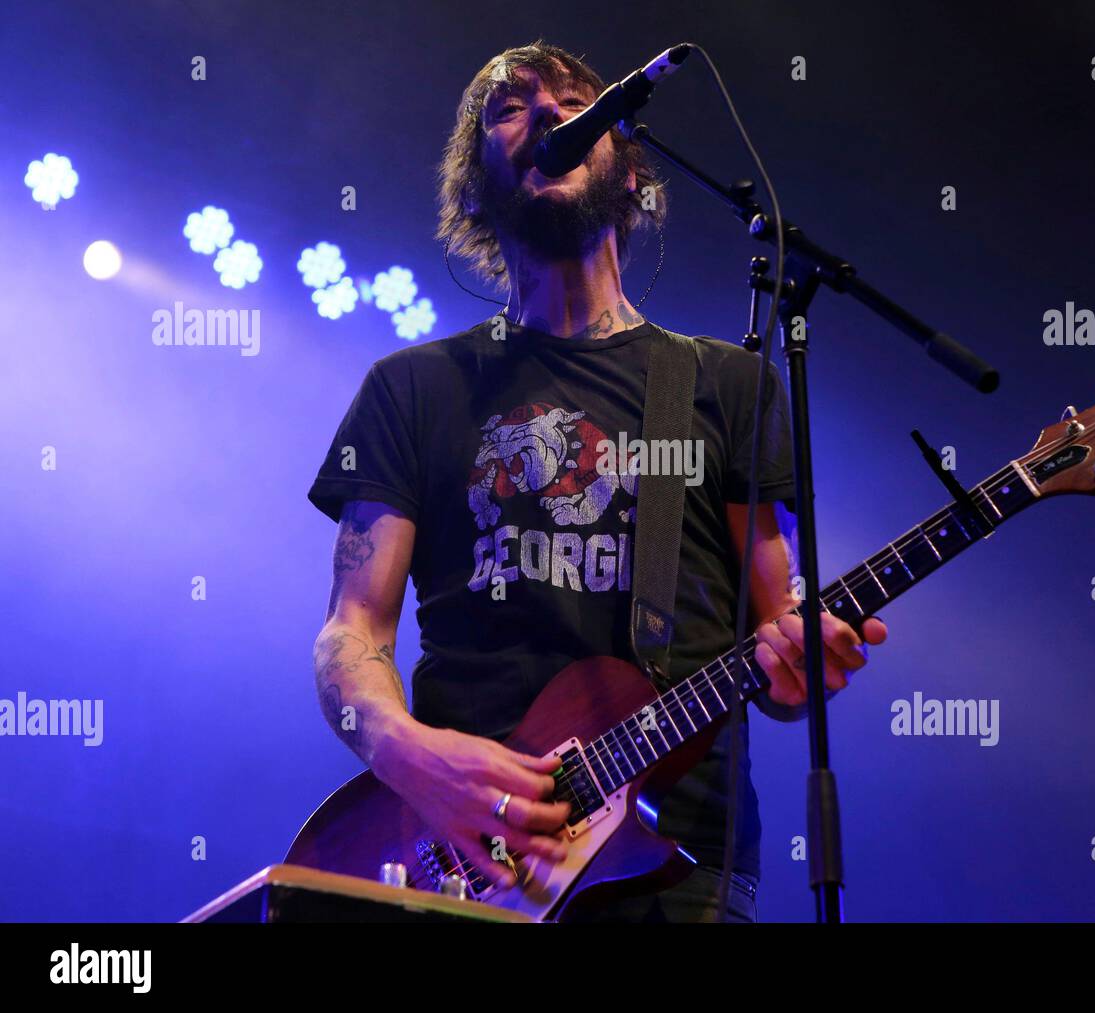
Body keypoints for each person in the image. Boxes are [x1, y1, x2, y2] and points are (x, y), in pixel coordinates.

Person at [307, 39, 887, 923]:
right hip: (461, 859)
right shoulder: (411, 389)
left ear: (624, 160)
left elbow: (781, 637)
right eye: (510, 105)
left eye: (574, 99)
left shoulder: (727, 384)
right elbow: (352, 634)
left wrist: (806, 659)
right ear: (472, 185)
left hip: (678, 861)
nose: (546, 111)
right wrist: (415, 757)